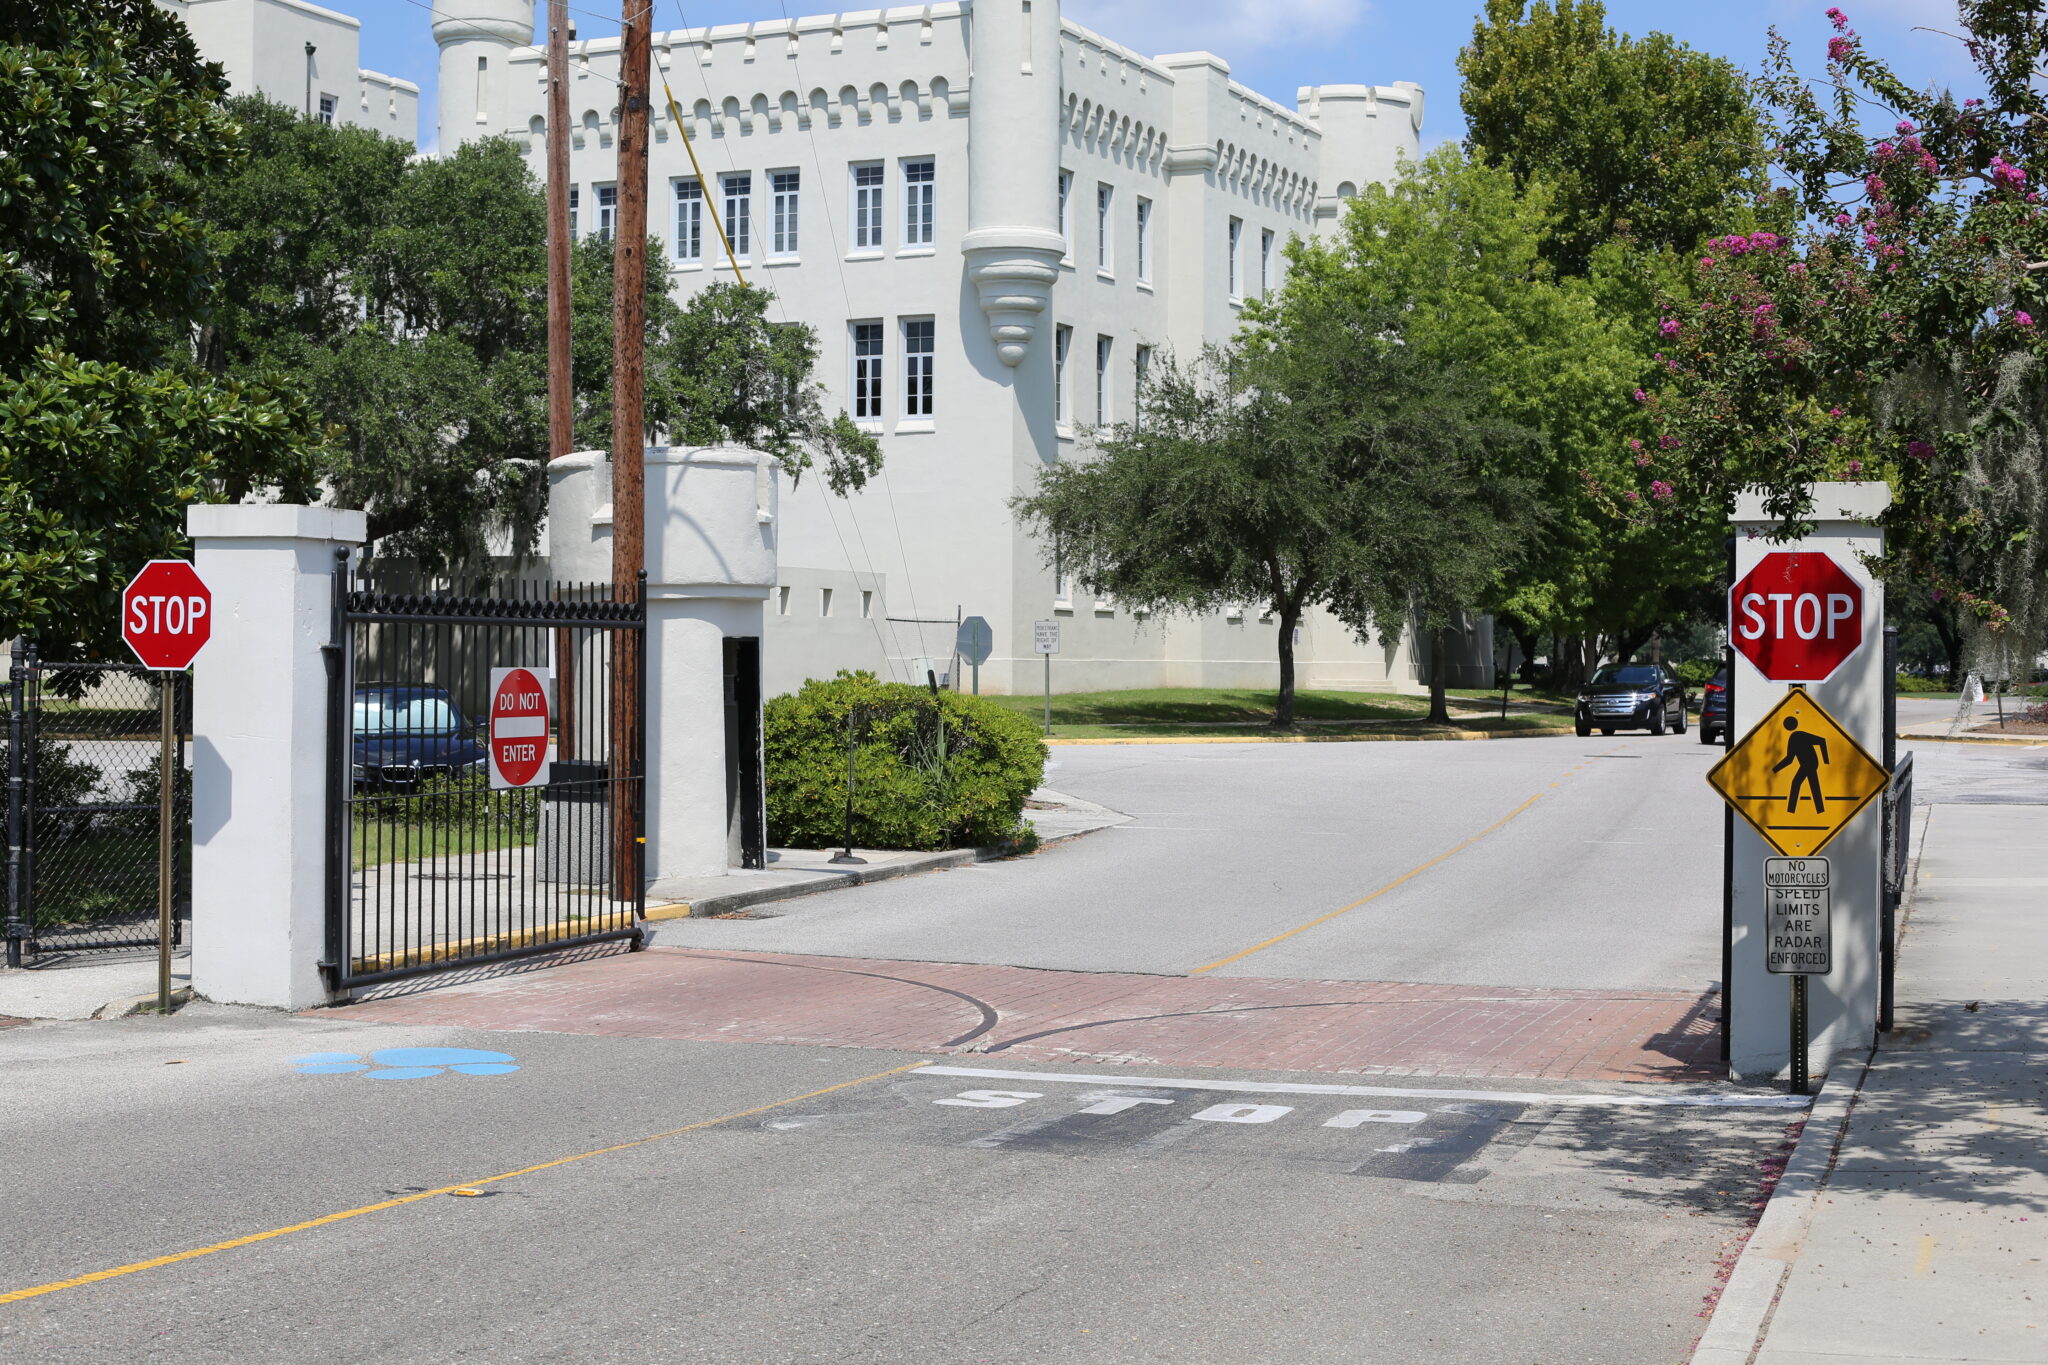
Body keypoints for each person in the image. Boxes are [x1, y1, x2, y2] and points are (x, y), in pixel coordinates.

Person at [1774, 715, 1829, 814]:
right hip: (1807, 764)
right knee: (1812, 785)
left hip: (1810, 764)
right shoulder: (1793, 738)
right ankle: (1820, 809)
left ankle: (1791, 810)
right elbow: (1790, 759)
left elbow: (1822, 741)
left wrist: (1826, 760)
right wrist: (1776, 769)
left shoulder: (1799, 735)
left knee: (1796, 783)